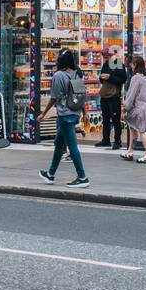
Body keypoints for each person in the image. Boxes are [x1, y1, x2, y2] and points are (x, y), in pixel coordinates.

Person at [36, 49, 90, 188]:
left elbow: (54, 97)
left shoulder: (58, 75)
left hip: (65, 115)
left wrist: (43, 113)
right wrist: (85, 114)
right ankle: (50, 174)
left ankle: (82, 177)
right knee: (59, 144)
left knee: (72, 146)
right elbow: (81, 96)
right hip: (75, 113)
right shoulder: (78, 73)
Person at [121, 55, 146, 163]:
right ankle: (130, 151)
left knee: (142, 130)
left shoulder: (136, 78)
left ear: (135, 64)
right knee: (132, 126)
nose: (131, 66)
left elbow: (131, 95)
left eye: (132, 64)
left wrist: (125, 109)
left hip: (138, 108)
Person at [96, 50, 128, 150]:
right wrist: (101, 78)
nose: (105, 58)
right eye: (104, 57)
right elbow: (102, 78)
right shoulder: (105, 64)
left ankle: (117, 141)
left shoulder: (118, 64)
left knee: (115, 120)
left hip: (114, 96)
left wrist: (110, 77)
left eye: (106, 56)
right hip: (104, 95)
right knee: (105, 119)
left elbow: (123, 79)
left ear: (111, 55)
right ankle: (106, 140)